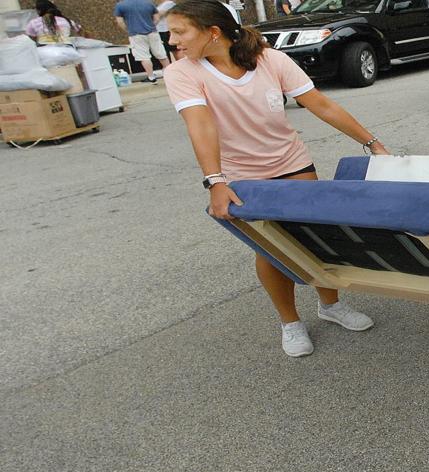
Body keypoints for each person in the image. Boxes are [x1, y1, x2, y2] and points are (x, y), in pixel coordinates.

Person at [163, 0, 391, 358]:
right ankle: (290, 321)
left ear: (213, 32)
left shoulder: (271, 60)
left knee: (313, 239)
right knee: (271, 250)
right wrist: (215, 181)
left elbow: (320, 104)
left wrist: (373, 143)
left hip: (292, 161)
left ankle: (329, 305)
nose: (172, 40)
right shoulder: (182, 72)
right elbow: (200, 124)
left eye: (179, 31)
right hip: (242, 174)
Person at [115, 0, 171, 82]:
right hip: (153, 32)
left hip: (136, 34)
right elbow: (157, 17)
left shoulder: (120, 5)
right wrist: (152, 26)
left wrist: (128, 30)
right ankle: (170, 74)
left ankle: (151, 77)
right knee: (161, 53)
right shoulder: (148, 2)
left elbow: (120, 22)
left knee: (144, 56)